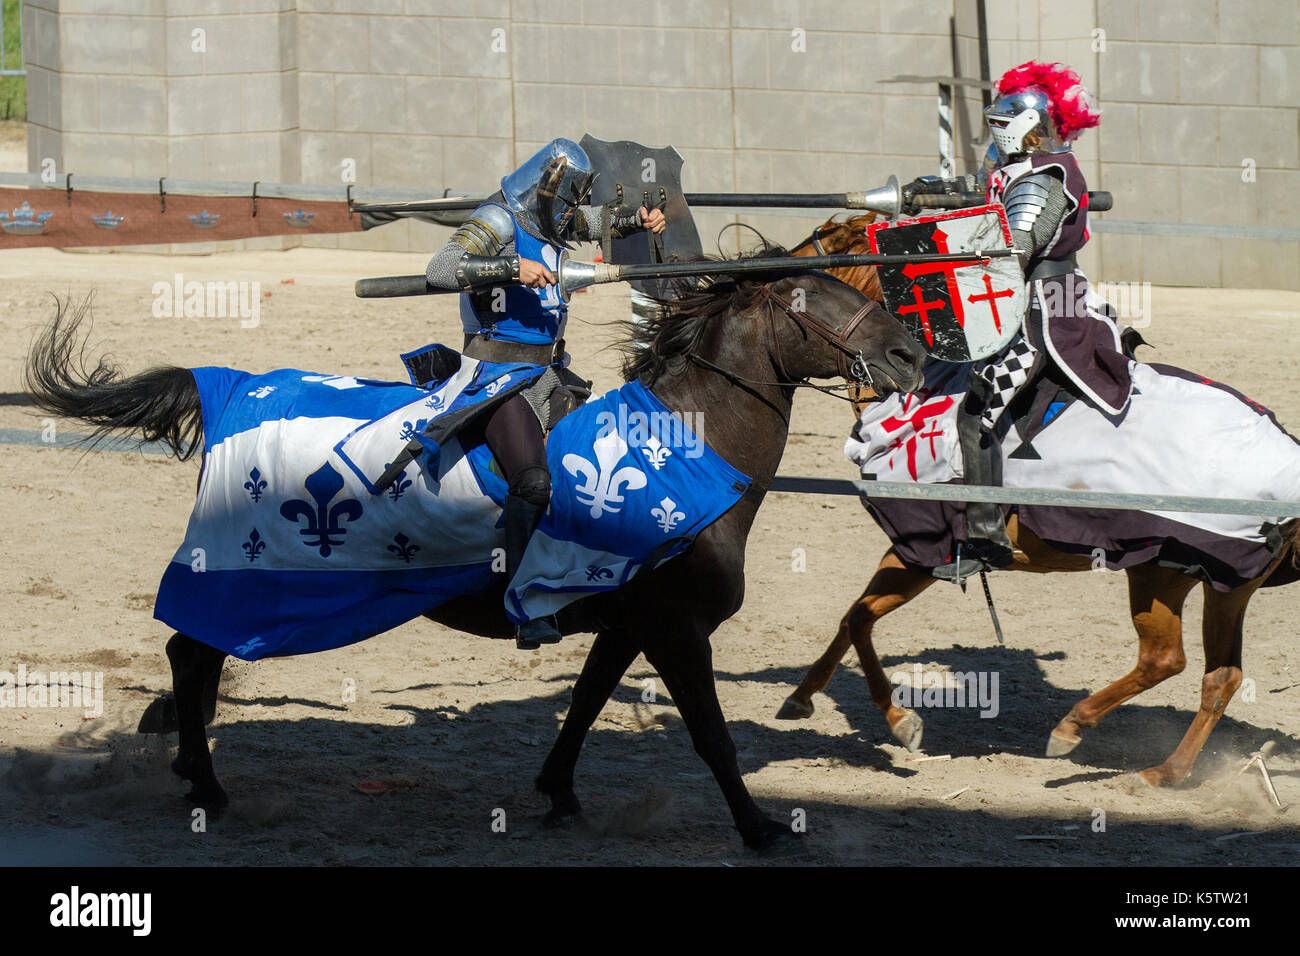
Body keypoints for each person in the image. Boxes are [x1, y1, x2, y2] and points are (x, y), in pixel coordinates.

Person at [425, 138, 666, 646]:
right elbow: (441, 269)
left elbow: (595, 223)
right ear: (549, 185)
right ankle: (519, 601)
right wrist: (512, 268)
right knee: (533, 481)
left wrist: (638, 219)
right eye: (570, 198)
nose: (574, 210)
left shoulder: (548, 220)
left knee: (592, 467)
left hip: (551, 375)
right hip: (495, 377)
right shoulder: (499, 220)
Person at [904, 61, 1125, 581]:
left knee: (975, 412)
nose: (996, 131)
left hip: (1041, 312)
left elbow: (1011, 248)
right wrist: (924, 194)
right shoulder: (1024, 167)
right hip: (1022, 299)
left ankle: (985, 539)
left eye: (1004, 121)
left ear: (1030, 123)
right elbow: (979, 193)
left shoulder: (1047, 176)